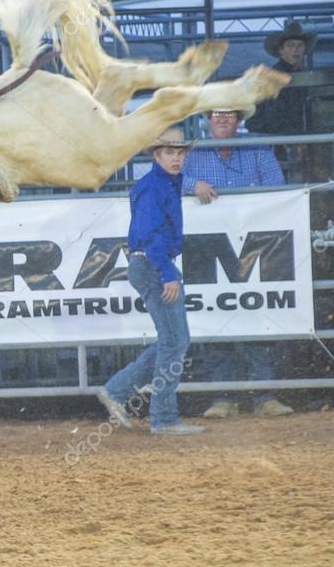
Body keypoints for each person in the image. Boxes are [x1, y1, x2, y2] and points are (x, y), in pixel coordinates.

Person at [182, 108, 294, 418]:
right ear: (207, 119)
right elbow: (169, 179)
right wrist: (193, 186)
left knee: (257, 312)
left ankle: (265, 396)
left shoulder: (257, 149)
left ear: (238, 119)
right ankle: (222, 397)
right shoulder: (191, 154)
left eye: (229, 114)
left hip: (252, 246)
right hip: (210, 247)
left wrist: (250, 205)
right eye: (216, 113)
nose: (222, 119)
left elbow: (278, 188)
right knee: (218, 314)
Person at [97, 127, 205, 435]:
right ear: (157, 156)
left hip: (150, 264)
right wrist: (168, 274)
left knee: (172, 340)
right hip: (153, 264)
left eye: (180, 153)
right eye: (170, 153)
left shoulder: (162, 184)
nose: (176, 158)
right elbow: (149, 236)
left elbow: (152, 229)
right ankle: (164, 418)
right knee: (175, 341)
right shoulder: (155, 187)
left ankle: (117, 391)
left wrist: (195, 183)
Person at [245, 21, 319, 181]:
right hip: (276, 142)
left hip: (290, 140)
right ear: (281, 50)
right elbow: (276, 115)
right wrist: (294, 141)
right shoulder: (275, 76)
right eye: (291, 46)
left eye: (299, 46)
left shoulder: (301, 75)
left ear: (305, 49)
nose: (295, 50)